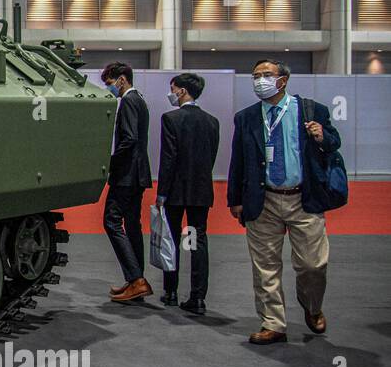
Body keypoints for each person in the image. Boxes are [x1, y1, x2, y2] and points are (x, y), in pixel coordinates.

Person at [227, 58, 340, 344]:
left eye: (266, 75)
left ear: (283, 80)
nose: (259, 80)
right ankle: (273, 323)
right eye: (255, 76)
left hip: (303, 198)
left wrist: (322, 135)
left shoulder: (312, 110)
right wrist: (235, 200)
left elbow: (333, 143)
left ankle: (312, 307)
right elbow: (238, 161)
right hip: (262, 200)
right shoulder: (246, 117)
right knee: (265, 266)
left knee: (313, 265)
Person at [156, 72, 219, 315]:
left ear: (182, 91)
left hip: (176, 193)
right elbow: (211, 156)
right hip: (200, 192)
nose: (171, 93)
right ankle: (198, 296)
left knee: (171, 240)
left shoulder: (171, 118)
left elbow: (168, 159)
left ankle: (170, 292)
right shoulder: (211, 121)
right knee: (195, 240)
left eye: (173, 88)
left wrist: (162, 193)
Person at [101, 62, 152, 302]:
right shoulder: (139, 100)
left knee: (111, 222)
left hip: (126, 174)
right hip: (137, 174)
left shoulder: (129, 101)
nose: (109, 88)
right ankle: (135, 281)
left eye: (110, 83)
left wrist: (110, 162)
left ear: (122, 79)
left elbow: (129, 139)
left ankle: (137, 279)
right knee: (132, 225)